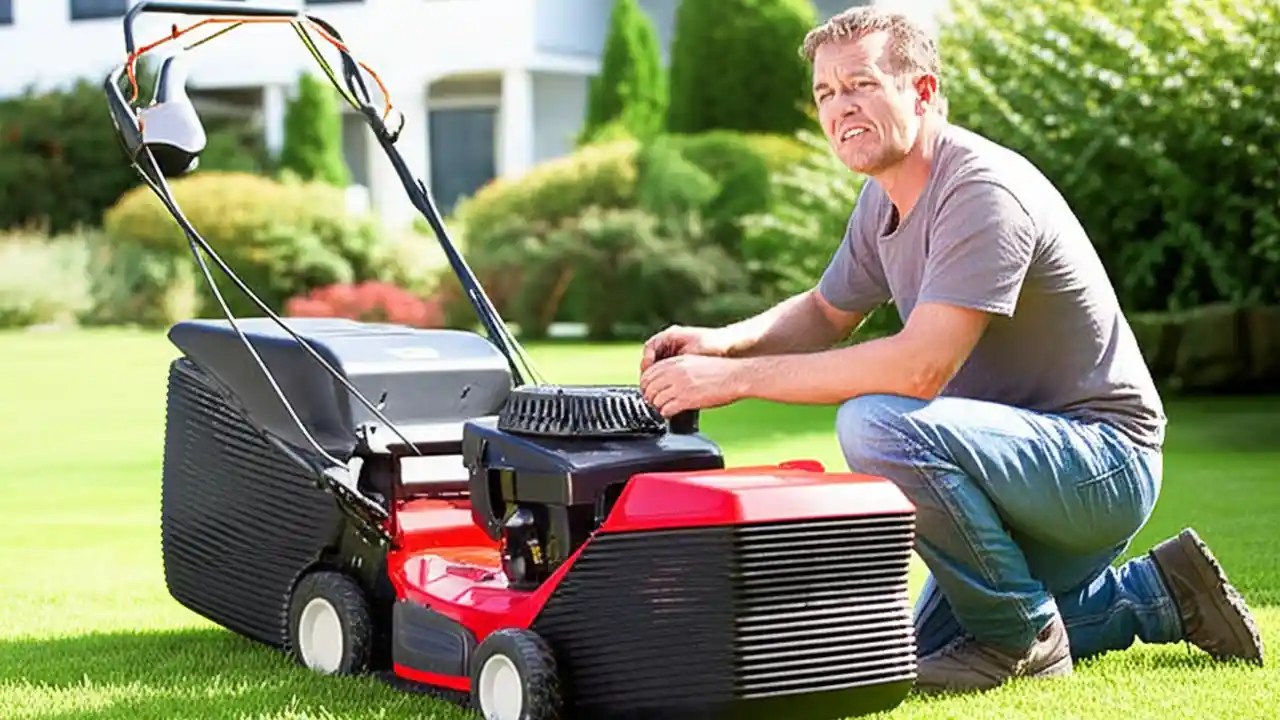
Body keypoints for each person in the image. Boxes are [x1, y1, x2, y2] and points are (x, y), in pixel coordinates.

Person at [638, 6, 1263, 693]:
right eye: (825, 93)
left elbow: (919, 367)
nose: (840, 107)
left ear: (924, 90)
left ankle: (1024, 636)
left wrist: (737, 381)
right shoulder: (884, 201)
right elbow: (825, 311)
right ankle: (1165, 592)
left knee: (875, 422)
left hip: (1100, 466)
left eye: (861, 85)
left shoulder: (980, 191)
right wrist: (723, 344)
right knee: (904, 653)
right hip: (1015, 468)